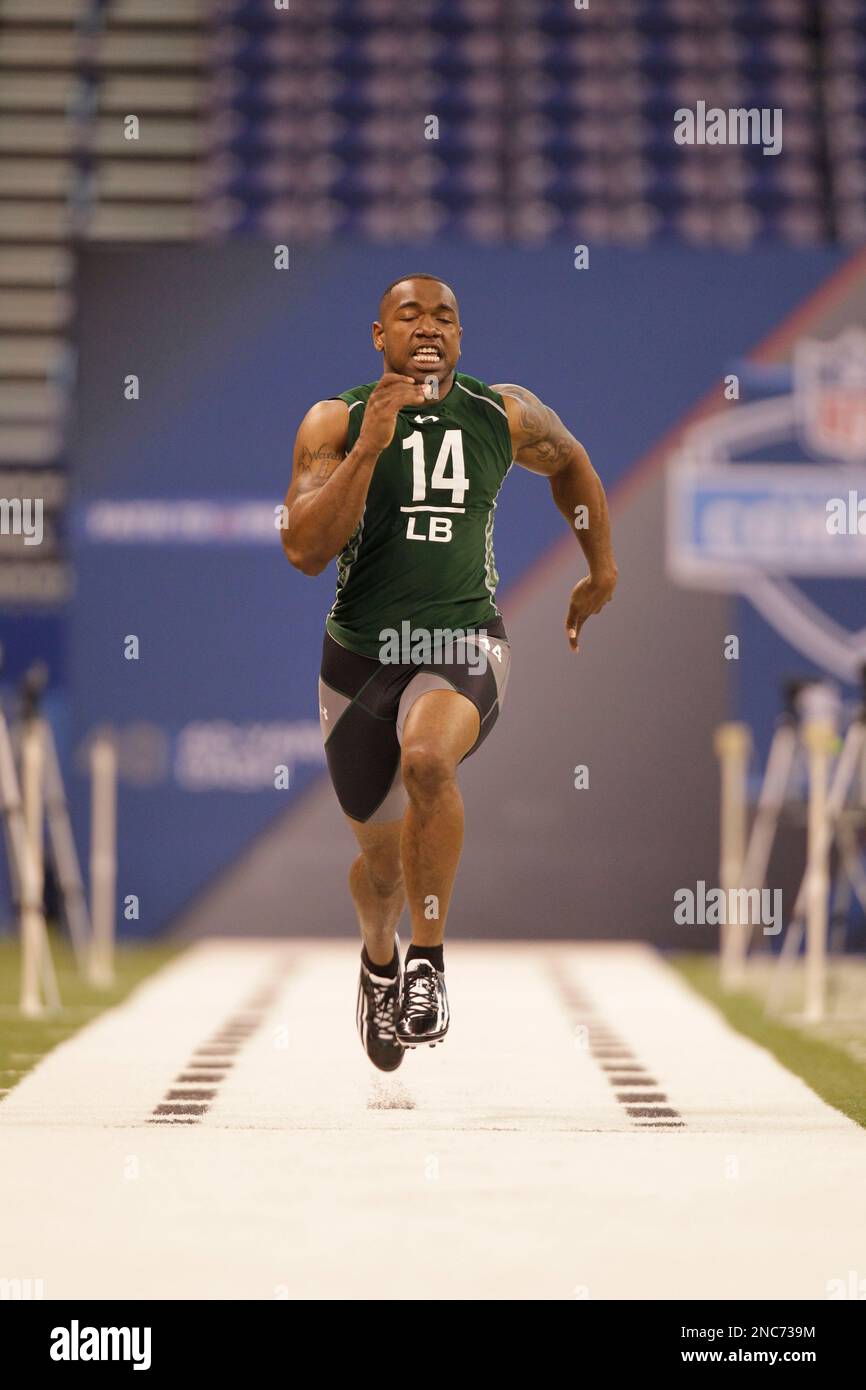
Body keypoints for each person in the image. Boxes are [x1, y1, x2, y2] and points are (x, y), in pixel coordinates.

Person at [281, 274, 617, 1070]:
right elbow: (303, 548)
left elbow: (568, 462)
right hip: (361, 659)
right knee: (382, 871)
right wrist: (371, 444)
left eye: (445, 318)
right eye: (410, 315)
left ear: (460, 339)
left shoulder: (501, 412)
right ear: (379, 335)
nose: (428, 328)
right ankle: (379, 957)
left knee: (429, 759)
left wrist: (600, 570)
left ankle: (426, 967)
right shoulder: (337, 420)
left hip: (464, 643)